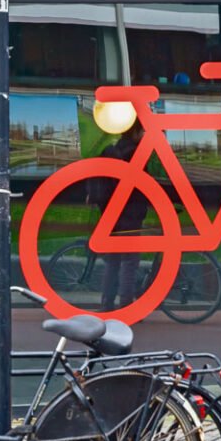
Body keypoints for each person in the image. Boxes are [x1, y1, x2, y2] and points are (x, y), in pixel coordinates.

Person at [86, 121, 149, 311]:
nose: (145, 134)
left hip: (110, 216)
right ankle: (126, 307)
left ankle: (107, 304)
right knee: (130, 262)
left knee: (112, 262)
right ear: (136, 132)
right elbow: (142, 186)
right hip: (130, 215)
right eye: (142, 131)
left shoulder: (111, 151)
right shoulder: (136, 154)